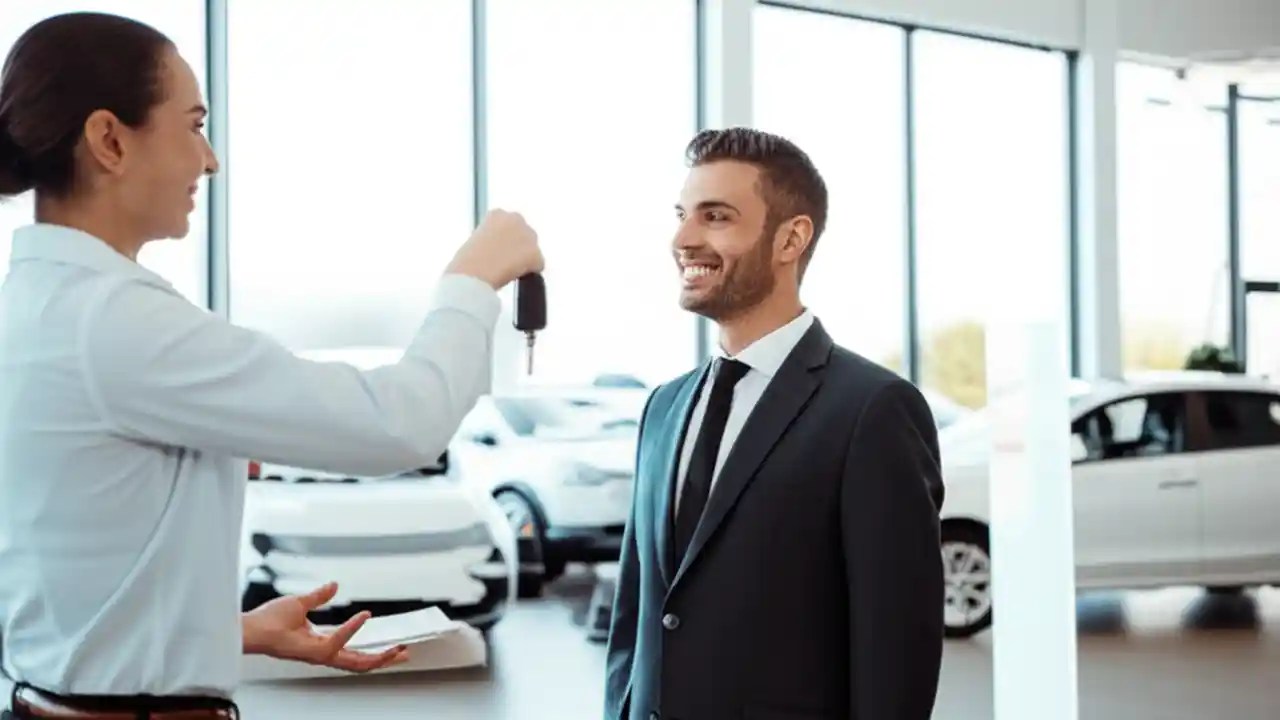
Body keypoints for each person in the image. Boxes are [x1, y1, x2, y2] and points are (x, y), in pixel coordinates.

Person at [0, 12, 542, 719]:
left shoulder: (34, 307)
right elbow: (398, 425)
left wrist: (232, 634)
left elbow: (71, 569)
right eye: (193, 125)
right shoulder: (115, 323)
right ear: (109, 140)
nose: (210, 159)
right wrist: (472, 280)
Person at [604, 128, 945, 720]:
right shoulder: (663, 407)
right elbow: (635, 620)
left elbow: (895, 654)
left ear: (791, 238)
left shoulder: (874, 411)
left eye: (715, 217)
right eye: (683, 215)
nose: (683, 239)